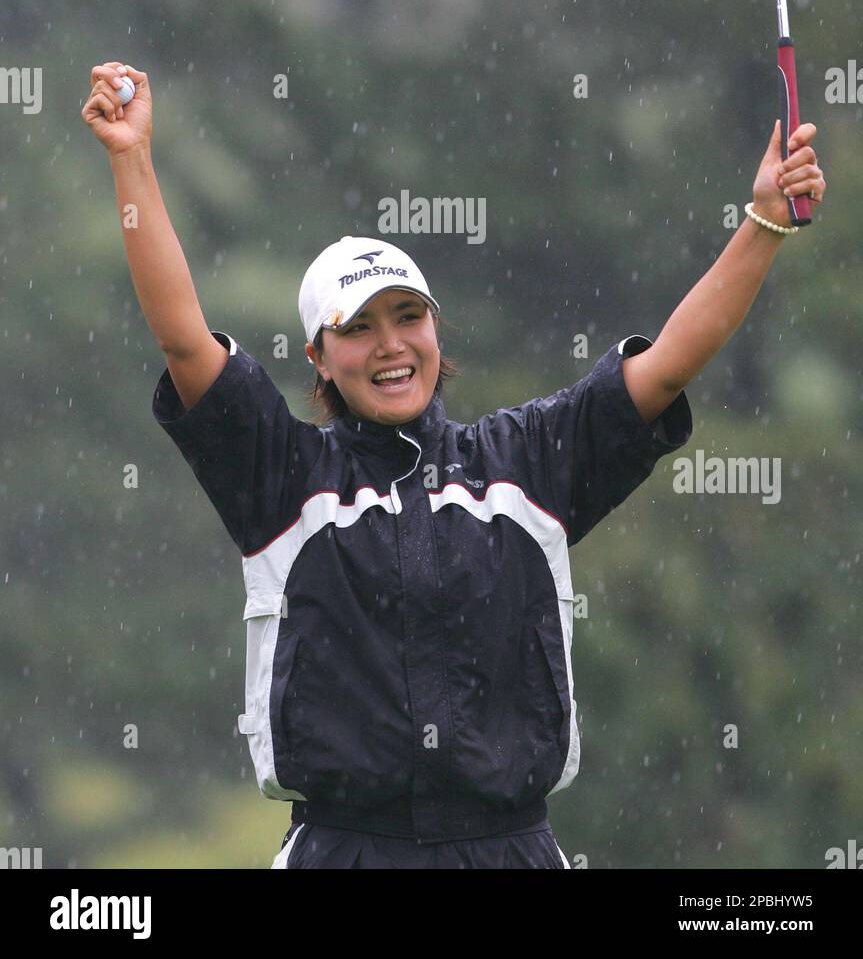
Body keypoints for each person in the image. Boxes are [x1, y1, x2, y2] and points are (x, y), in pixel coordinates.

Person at [82, 59, 827, 870]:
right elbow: (185, 338)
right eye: (359, 328)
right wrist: (131, 156)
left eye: (408, 317)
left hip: (511, 852)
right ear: (319, 360)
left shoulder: (523, 463)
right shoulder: (281, 475)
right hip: (343, 854)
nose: (391, 344)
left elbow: (671, 362)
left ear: (437, 331)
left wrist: (761, 219)